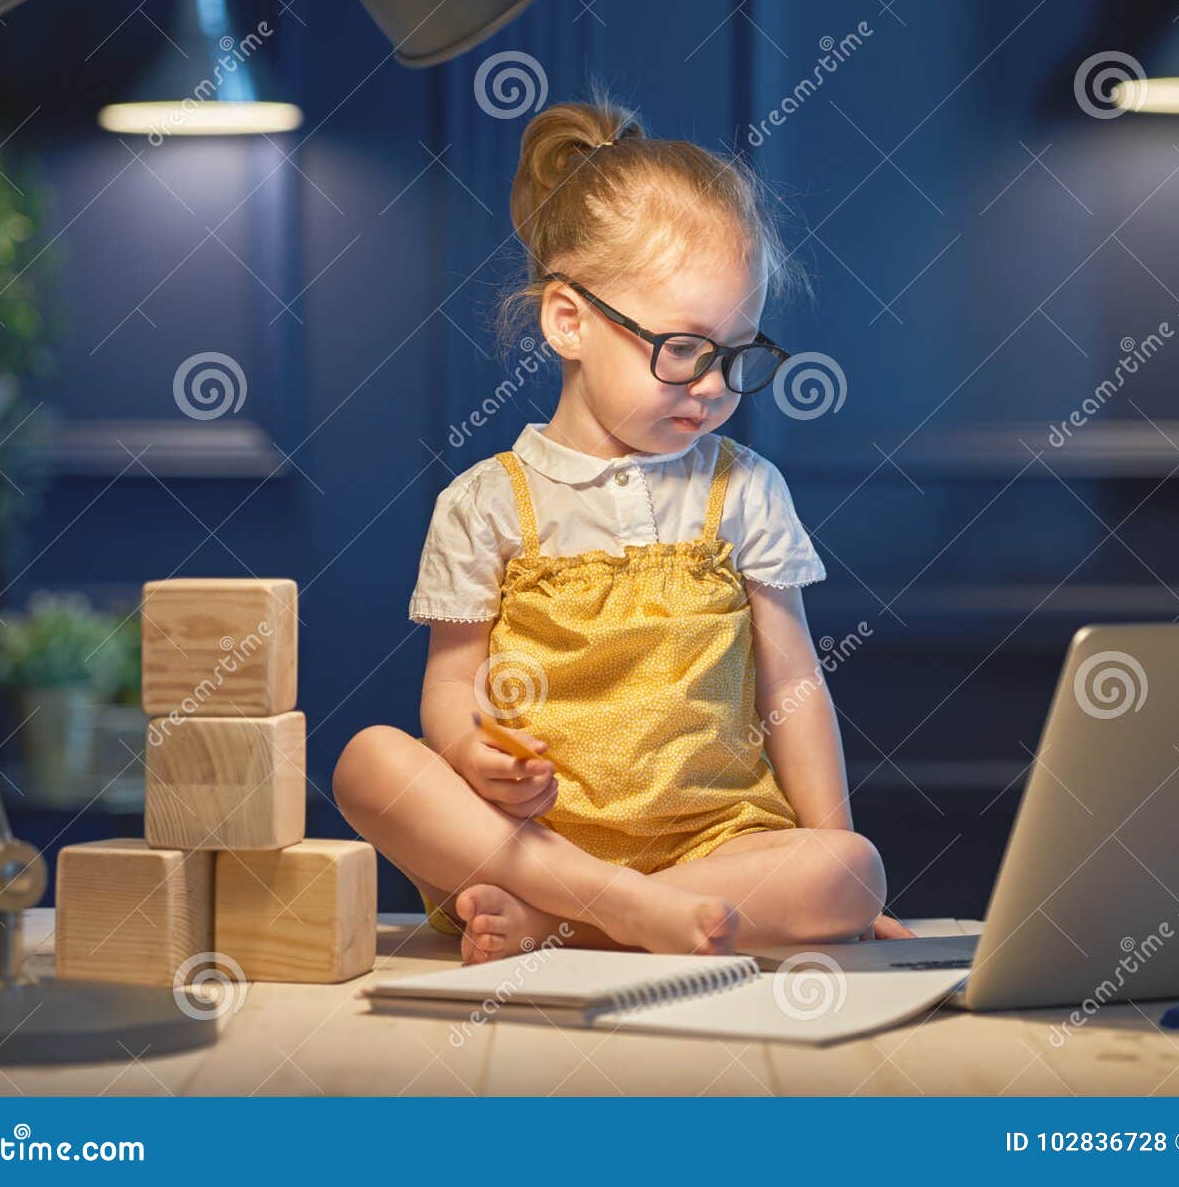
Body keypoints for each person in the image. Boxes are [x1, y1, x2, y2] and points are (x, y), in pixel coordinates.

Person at [334, 92, 911, 963]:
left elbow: (795, 695)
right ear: (569, 319)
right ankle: (607, 905)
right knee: (370, 762)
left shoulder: (744, 490)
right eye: (682, 349)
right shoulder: (487, 502)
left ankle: (570, 926)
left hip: (717, 850)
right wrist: (471, 749)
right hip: (530, 846)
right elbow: (451, 693)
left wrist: (848, 885)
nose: (713, 385)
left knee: (850, 867)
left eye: (736, 352)